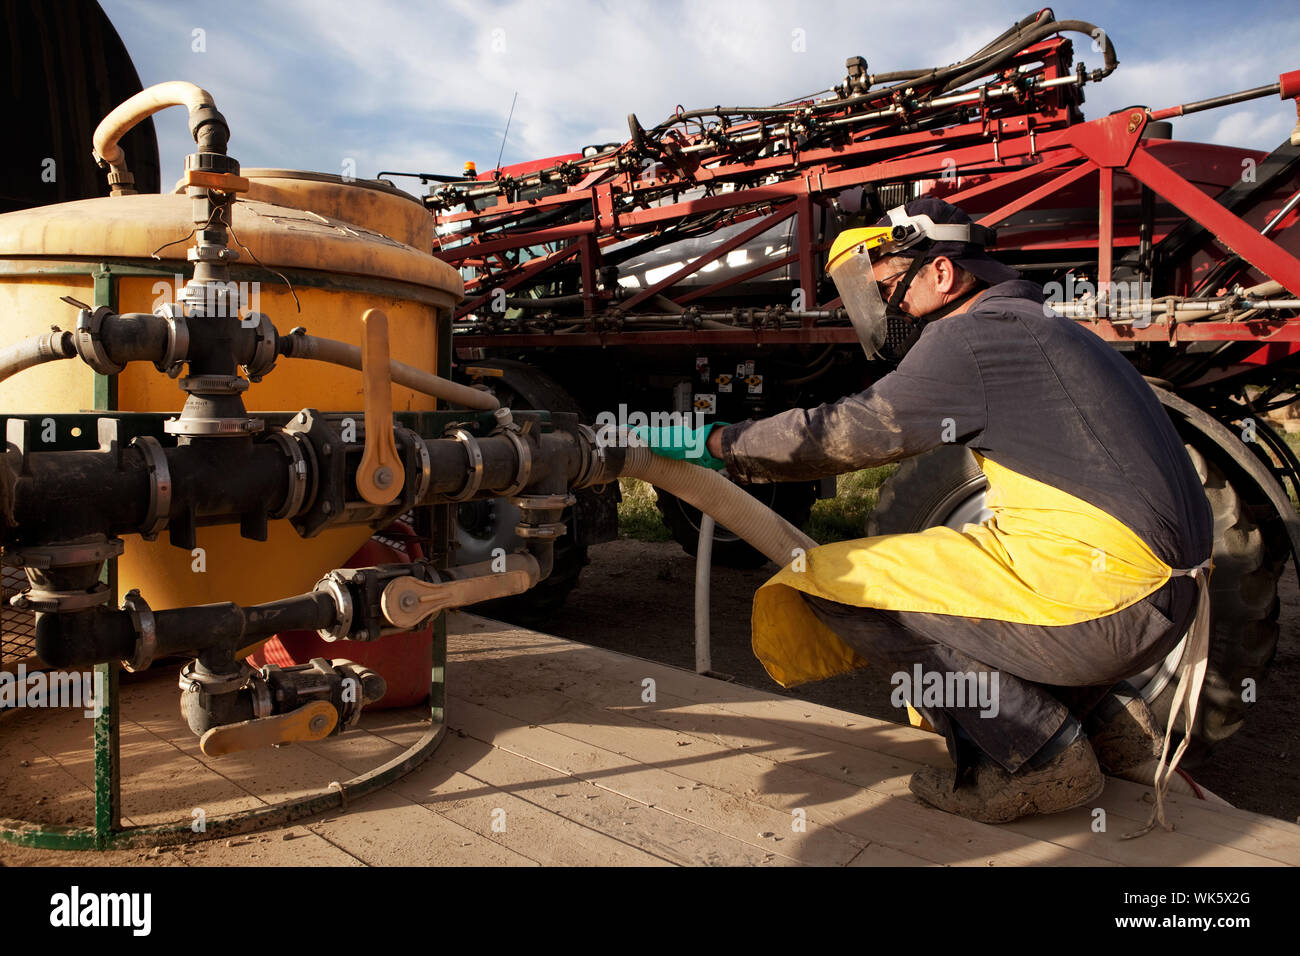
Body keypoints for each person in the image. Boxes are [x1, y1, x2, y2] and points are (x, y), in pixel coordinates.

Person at [675, 196, 1214, 824]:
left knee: (830, 581)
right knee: (962, 573)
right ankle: (1111, 723)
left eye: (889, 285)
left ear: (941, 273)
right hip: (1163, 600)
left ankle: (1040, 758)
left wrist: (724, 444)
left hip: (1112, 602)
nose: (891, 306)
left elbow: (846, 432)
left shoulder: (972, 336)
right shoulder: (1040, 326)